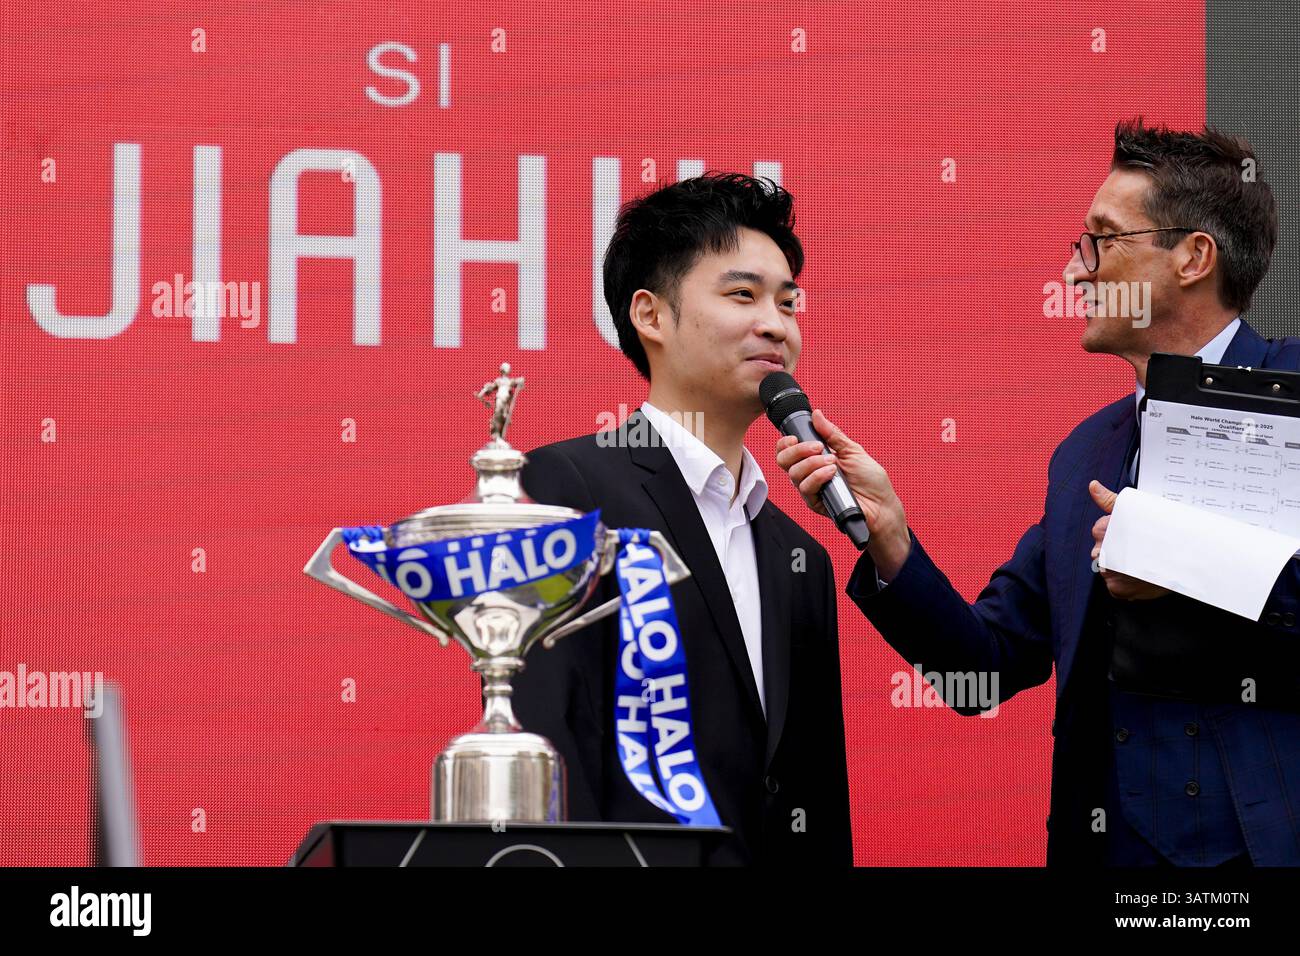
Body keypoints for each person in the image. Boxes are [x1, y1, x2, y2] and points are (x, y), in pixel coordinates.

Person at [776, 119, 1300, 866]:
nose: (1076, 271)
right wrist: (891, 538)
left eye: (1103, 240)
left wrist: (1186, 558)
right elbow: (981, 671)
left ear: (1193, 256)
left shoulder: (1291, 397)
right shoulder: (1085, 453)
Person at [515, 172, 852, 865]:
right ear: (651, 316)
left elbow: (815, 798)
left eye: (788, 304)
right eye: (742, 295)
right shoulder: (571, 486)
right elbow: (553, 736)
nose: (776, 325)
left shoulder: (800, 557)